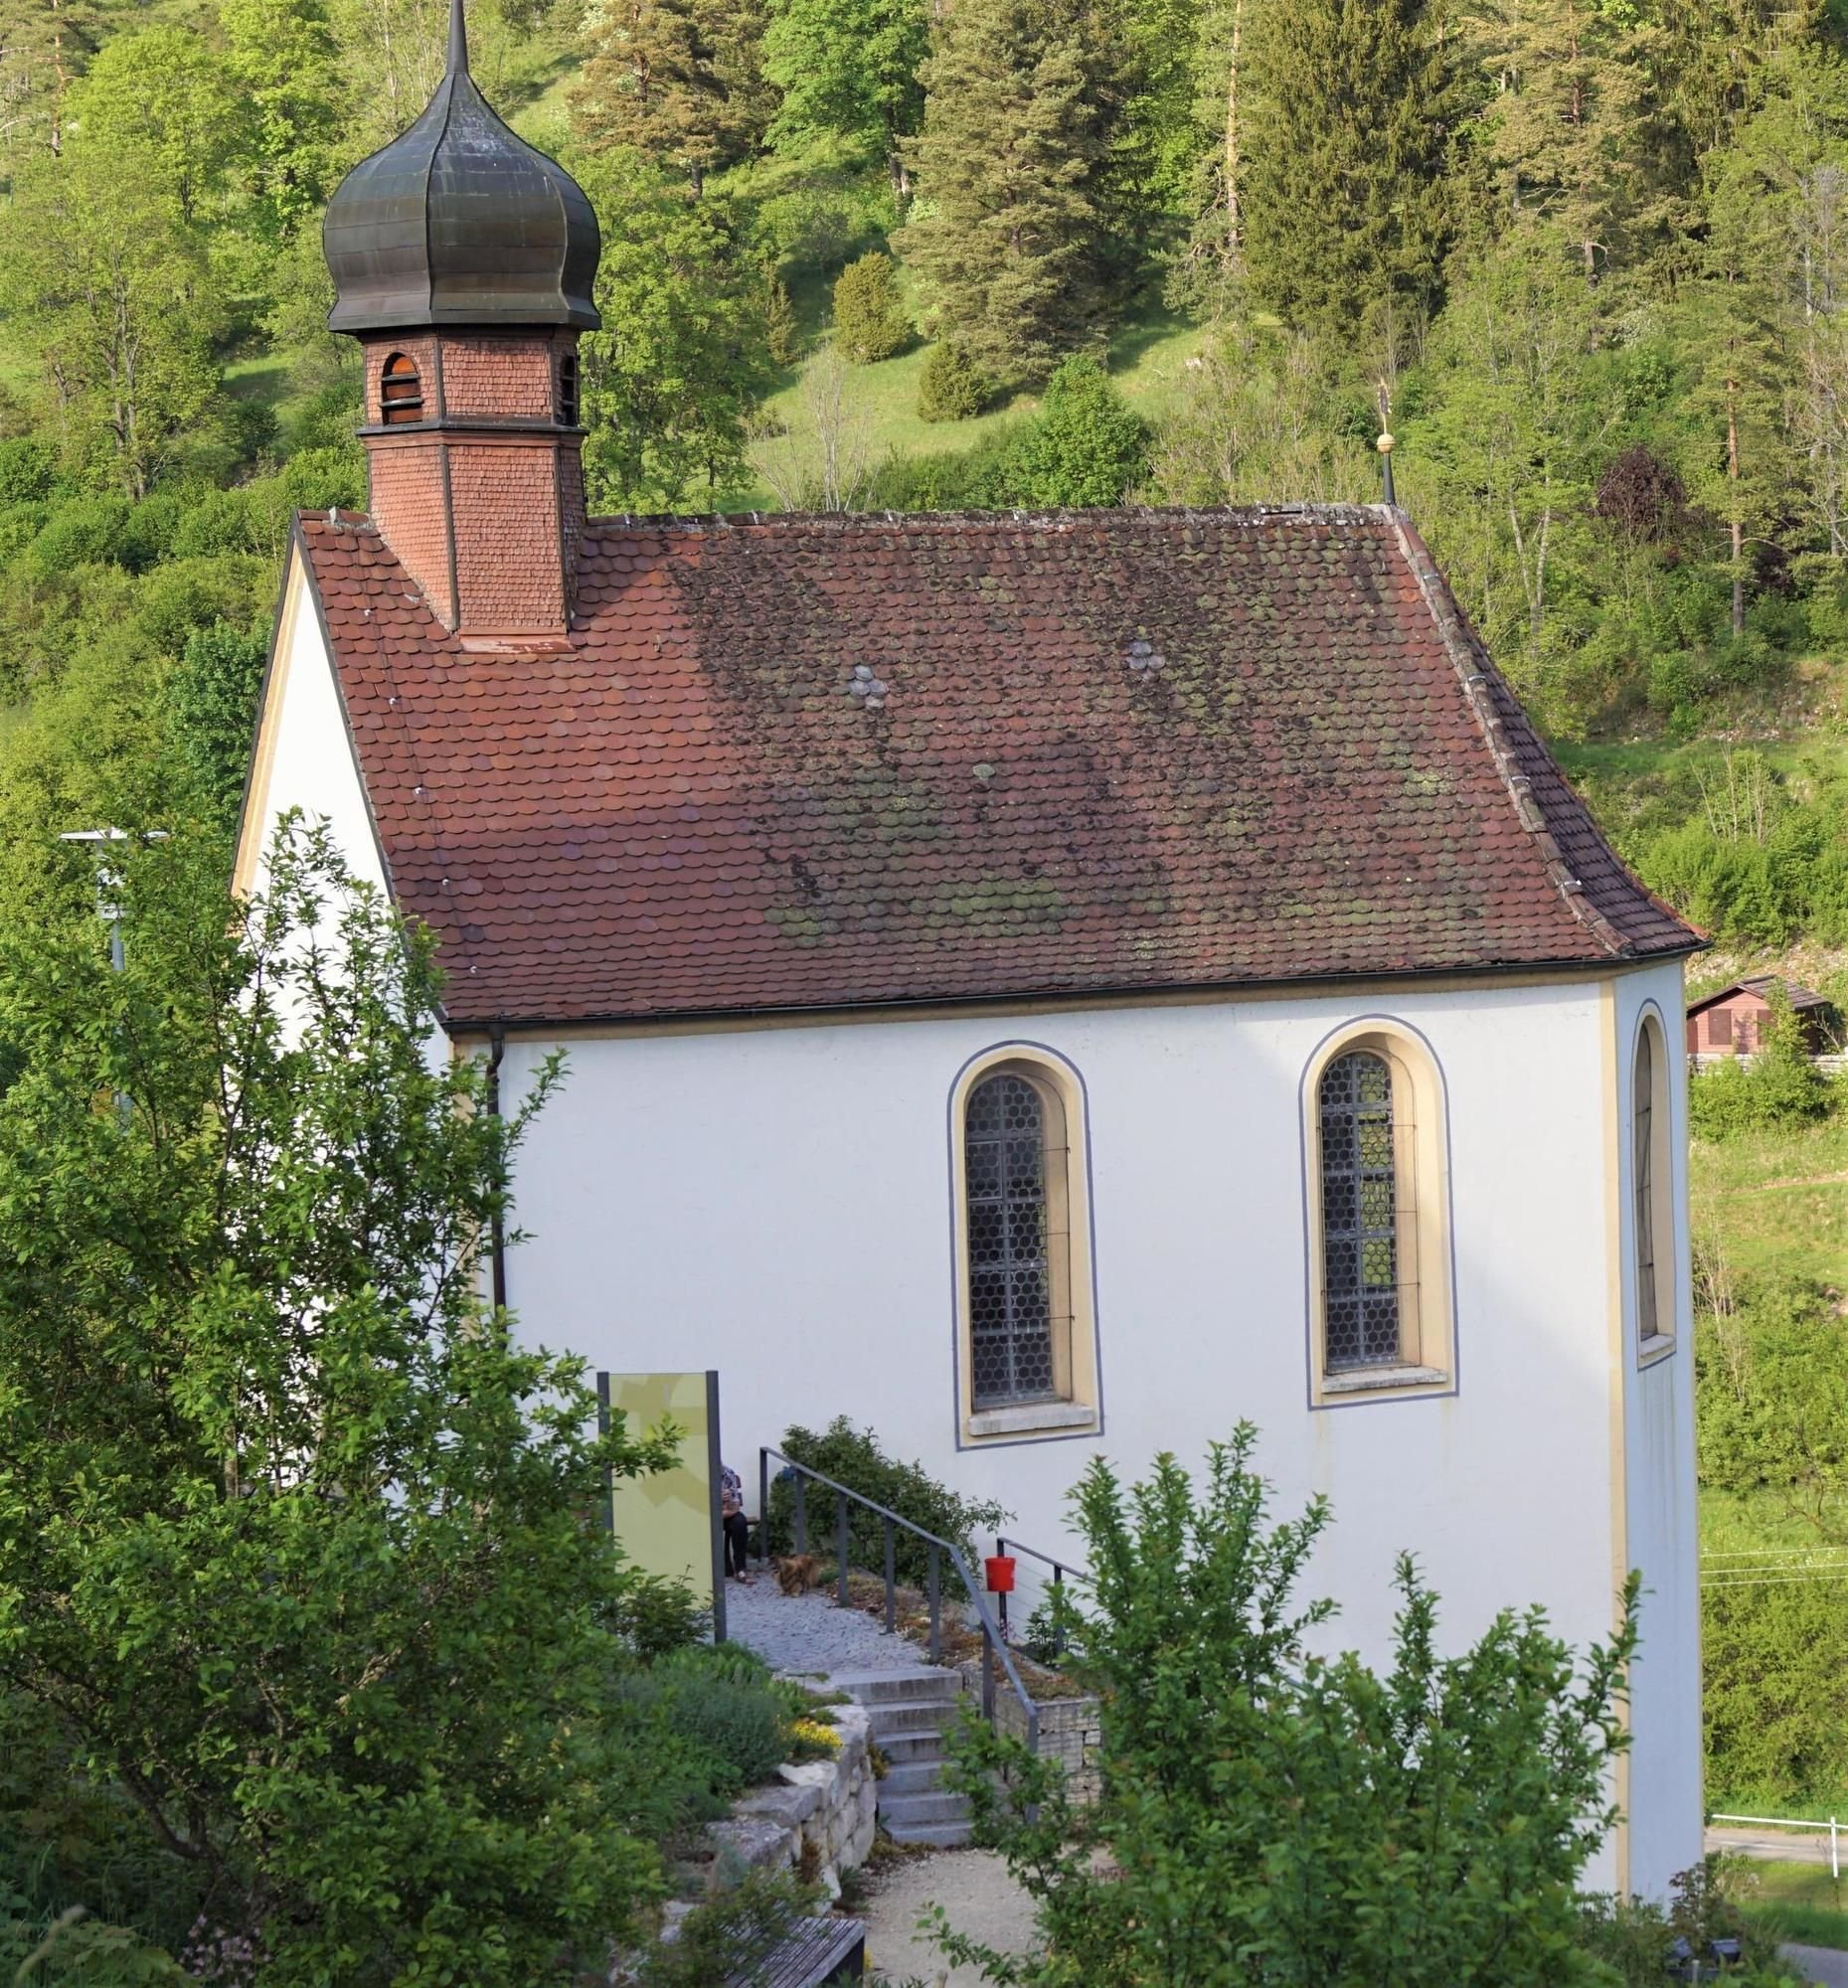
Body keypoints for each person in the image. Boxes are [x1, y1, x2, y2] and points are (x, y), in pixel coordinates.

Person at [720, 1463, 752, 1581]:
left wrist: (726, 1504)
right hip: (703, 1514)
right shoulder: (700, 1473)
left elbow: (735, 1507)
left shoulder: (728, 1473)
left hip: (724, 1514)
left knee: (740, 1521)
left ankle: (740, 1569)